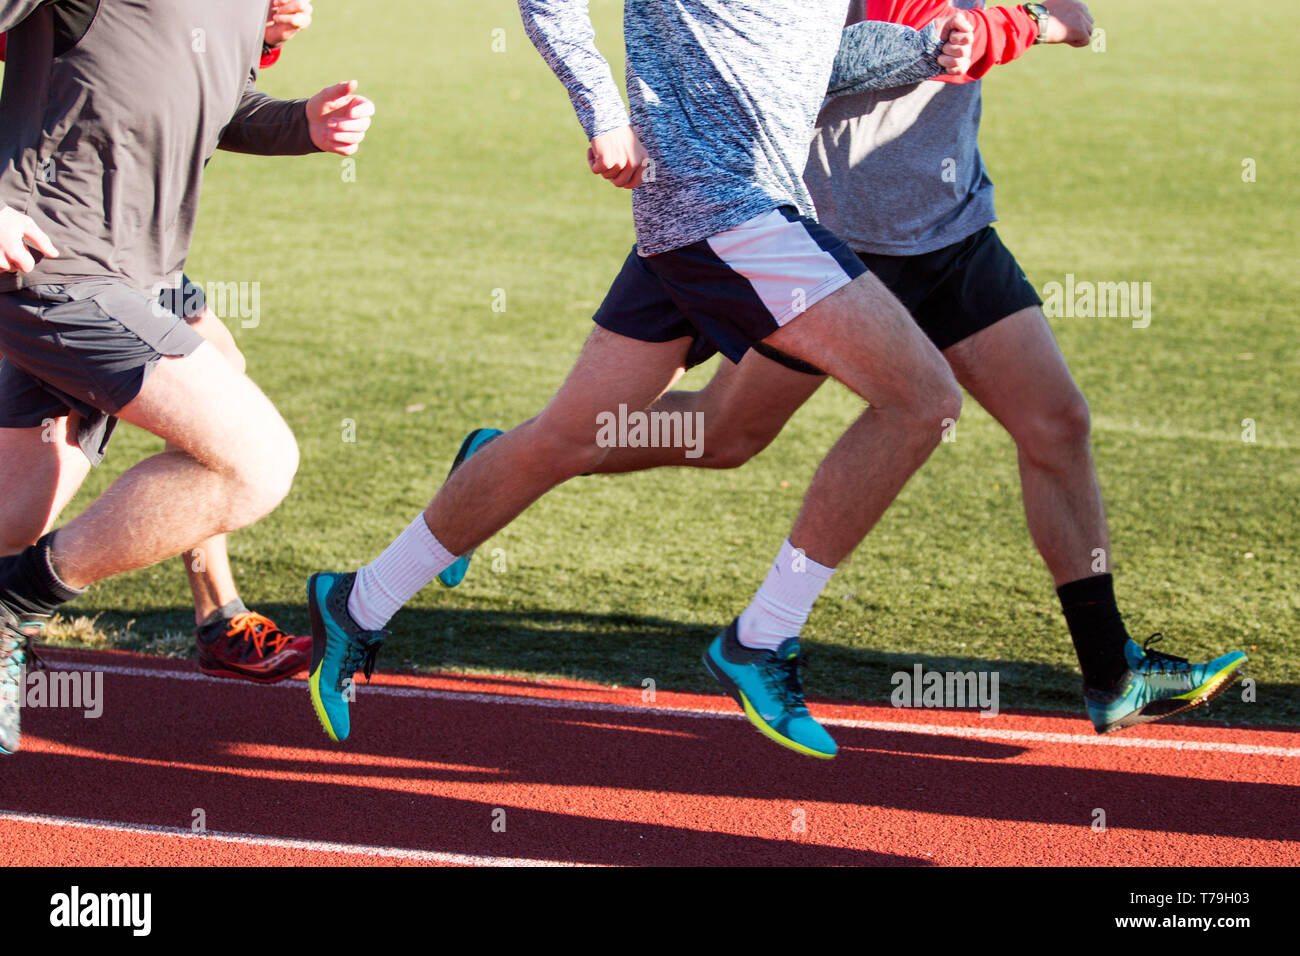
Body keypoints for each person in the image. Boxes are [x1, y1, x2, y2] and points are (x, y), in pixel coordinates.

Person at [447, 1, 1249, 744]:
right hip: (836, 245)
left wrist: (1012, 24)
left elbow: (1075, 18)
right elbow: (801, 62)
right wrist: (928, 44)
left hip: (951, 234)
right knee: (725, 434)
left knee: (1057, 421)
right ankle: (513, 458)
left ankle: (1112, 668)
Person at [303, 0, 991, 755]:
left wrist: (922, 50)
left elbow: (809, 59)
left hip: (737, 210)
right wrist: (603, 112)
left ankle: (358, 602)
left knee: (570, 439)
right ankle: (762, 639)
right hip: (723, 209)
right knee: (922, 400)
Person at [0, 0, 374, 755]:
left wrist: (302, 123)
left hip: (146, 272)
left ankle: (210, 612)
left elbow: (208, 102)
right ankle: (12, 604)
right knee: (253, 463)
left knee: (19, 504)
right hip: (54, 263)